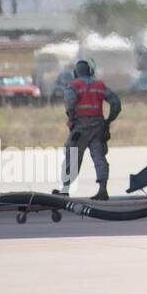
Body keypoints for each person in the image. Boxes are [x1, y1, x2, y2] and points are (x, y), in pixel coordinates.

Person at [55, 59, 122, 200]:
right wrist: (108, 121)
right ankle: (103, 190)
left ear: (75, 73)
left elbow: (70, 103)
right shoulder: (100, 85)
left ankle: (65, 189)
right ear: (90, 71)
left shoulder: (73, 85)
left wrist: (72, 118)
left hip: (80, 128)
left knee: (71, 154)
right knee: (99, 157)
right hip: (98, 128)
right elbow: (116, 103)